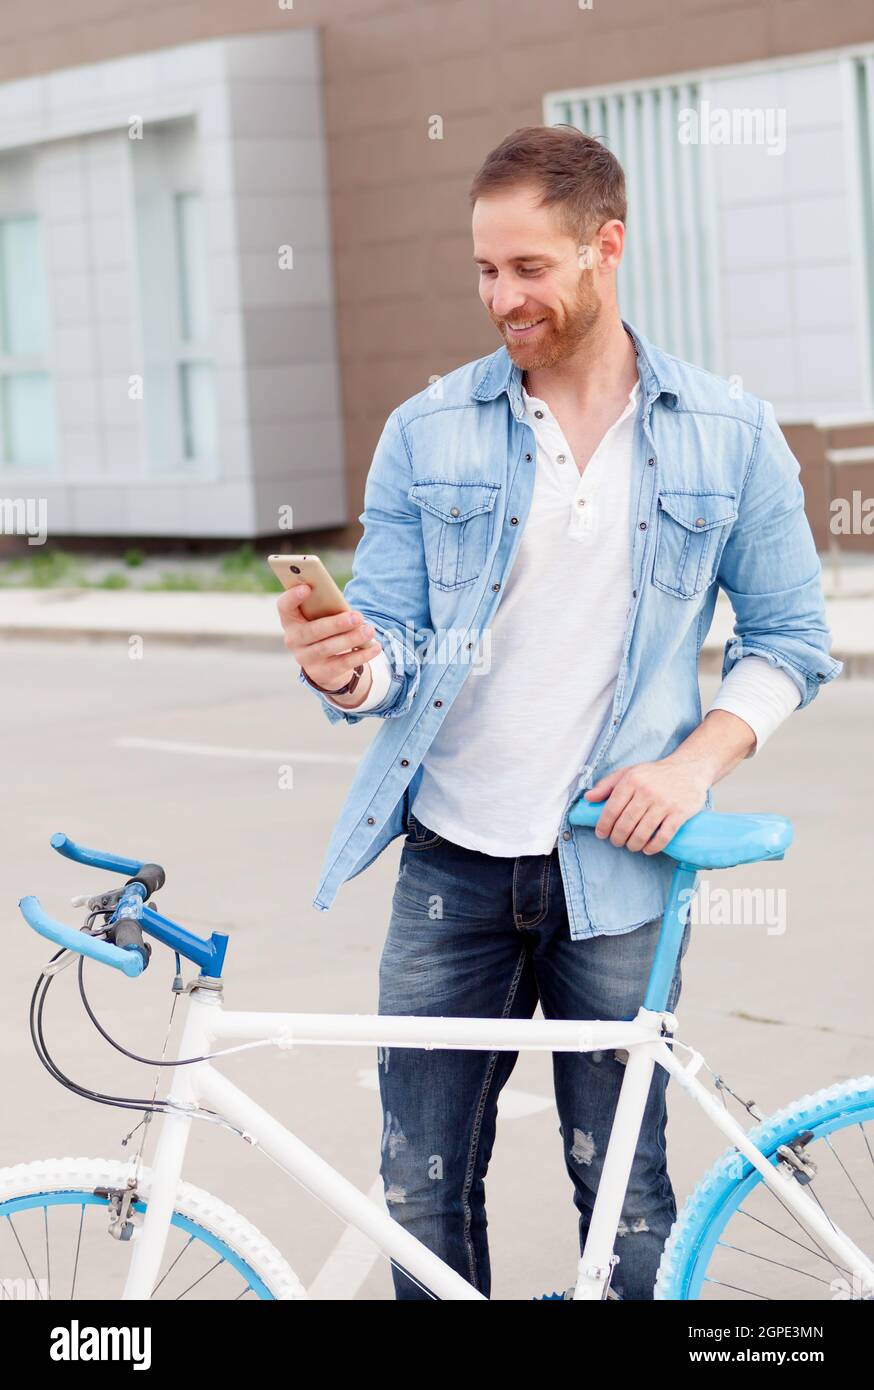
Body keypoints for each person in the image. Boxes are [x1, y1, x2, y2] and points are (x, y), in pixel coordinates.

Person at [277, 126, 840, 1300]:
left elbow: (790, 643)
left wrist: (692, 764)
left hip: (619, 873)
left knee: (625, 1194)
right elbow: (391, 654)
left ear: (605, 246)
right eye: (484, 270)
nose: (501, 298)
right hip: (451, 865)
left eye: (528, 268)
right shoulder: (427, 429)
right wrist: (345, 670)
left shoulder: (728, 434)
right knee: (423, 1188)